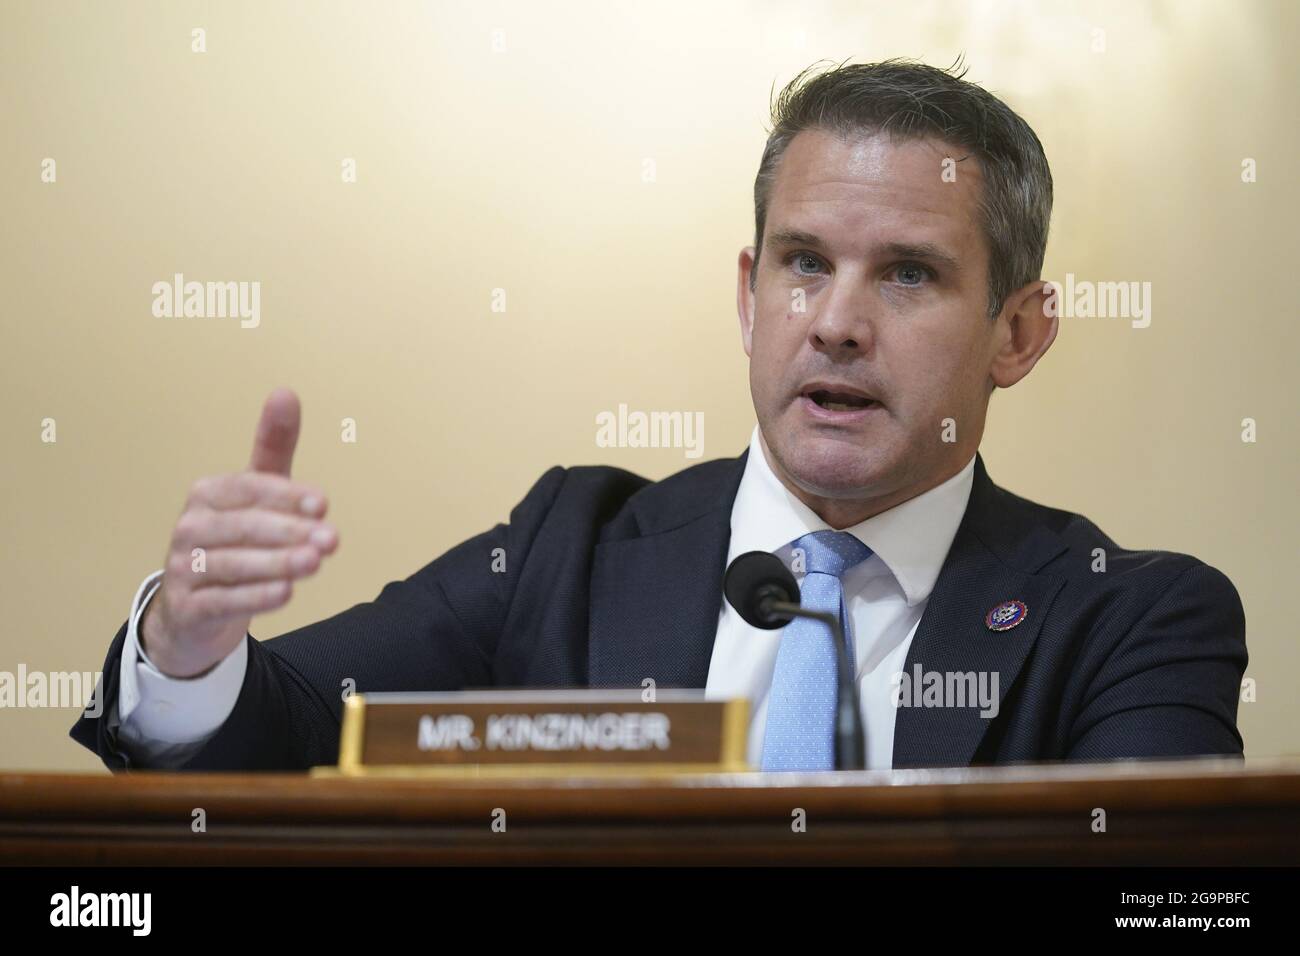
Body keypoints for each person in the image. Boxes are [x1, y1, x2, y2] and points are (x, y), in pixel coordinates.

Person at [71, 59, 1247, 772]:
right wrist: (185, 645)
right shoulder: (565, 549)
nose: (834, 322)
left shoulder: (1127, 615)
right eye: (801, 262)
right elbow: (287, 731)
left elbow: (1161, 900)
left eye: (907, 274)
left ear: (1019, 332)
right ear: (748, 295)